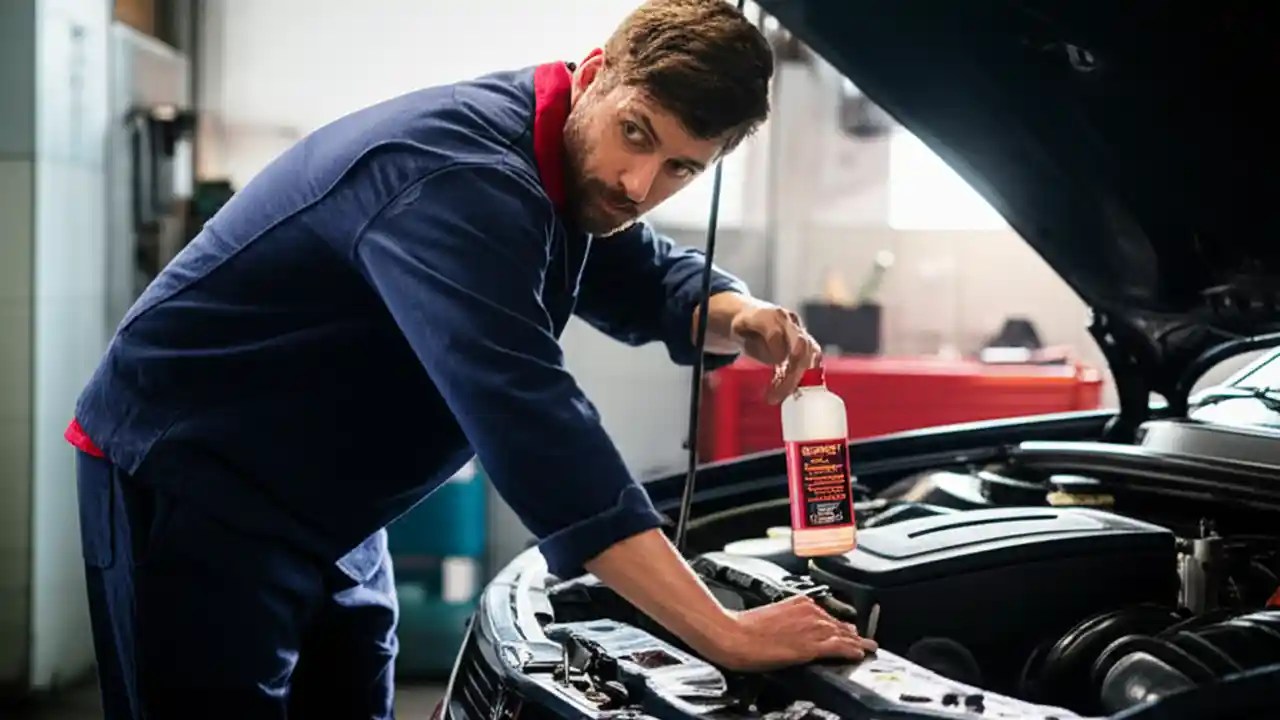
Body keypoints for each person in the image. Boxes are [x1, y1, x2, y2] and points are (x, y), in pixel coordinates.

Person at [67, 1, 877, 717]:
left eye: (680, 169)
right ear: (596, 73)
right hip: (191, 475)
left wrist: (739, 314)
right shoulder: (460, 179)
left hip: (328, 502)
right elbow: (534, 428)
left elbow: (638, 268)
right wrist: (724, 634)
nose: (640, 183)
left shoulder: (565, 156)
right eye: (637, 134)